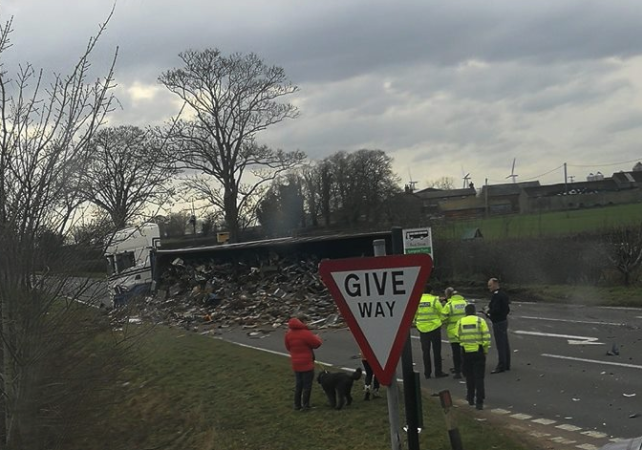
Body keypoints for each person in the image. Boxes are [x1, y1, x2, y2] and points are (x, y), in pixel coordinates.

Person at [284, 313, 323, 411]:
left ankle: (297, 405)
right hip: (306, 363)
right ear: (303, 322)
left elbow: (288, 347)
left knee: (298, 385)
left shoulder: (288, 334)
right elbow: (316, 344)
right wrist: (317, 337)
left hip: (296, 362)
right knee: (307, 385)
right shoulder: (305, 333)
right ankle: (306, 405)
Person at [414, 283, 448, 379]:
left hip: (422, 329)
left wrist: (416, 323)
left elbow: (414, 314)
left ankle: (427, 373)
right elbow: (441, 312)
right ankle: (438, 371)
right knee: (437, 351)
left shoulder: (417, 300)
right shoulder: (434, 300)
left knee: (426, 352)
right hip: (434, 328)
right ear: (431, 291)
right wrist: (441, 321)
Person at [485, 278, 511, 374]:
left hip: (498, 322)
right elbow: (507, 309)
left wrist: (488, 312)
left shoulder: (496, 296)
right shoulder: (504, 294)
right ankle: (507, 363)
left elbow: (495, 309)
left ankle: (501, 365)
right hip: (504, 320)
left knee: (500, 344)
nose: (489, 288)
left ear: (495, 284)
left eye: (490, 285)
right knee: (505, 343)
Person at [442, 287, 468, 379]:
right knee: (465, 352)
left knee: (456, 353)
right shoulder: (465, 303)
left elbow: (443, 318)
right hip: (464, 331)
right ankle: (465, 369)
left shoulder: (449, 305)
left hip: (453, 332)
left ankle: (457, 372)